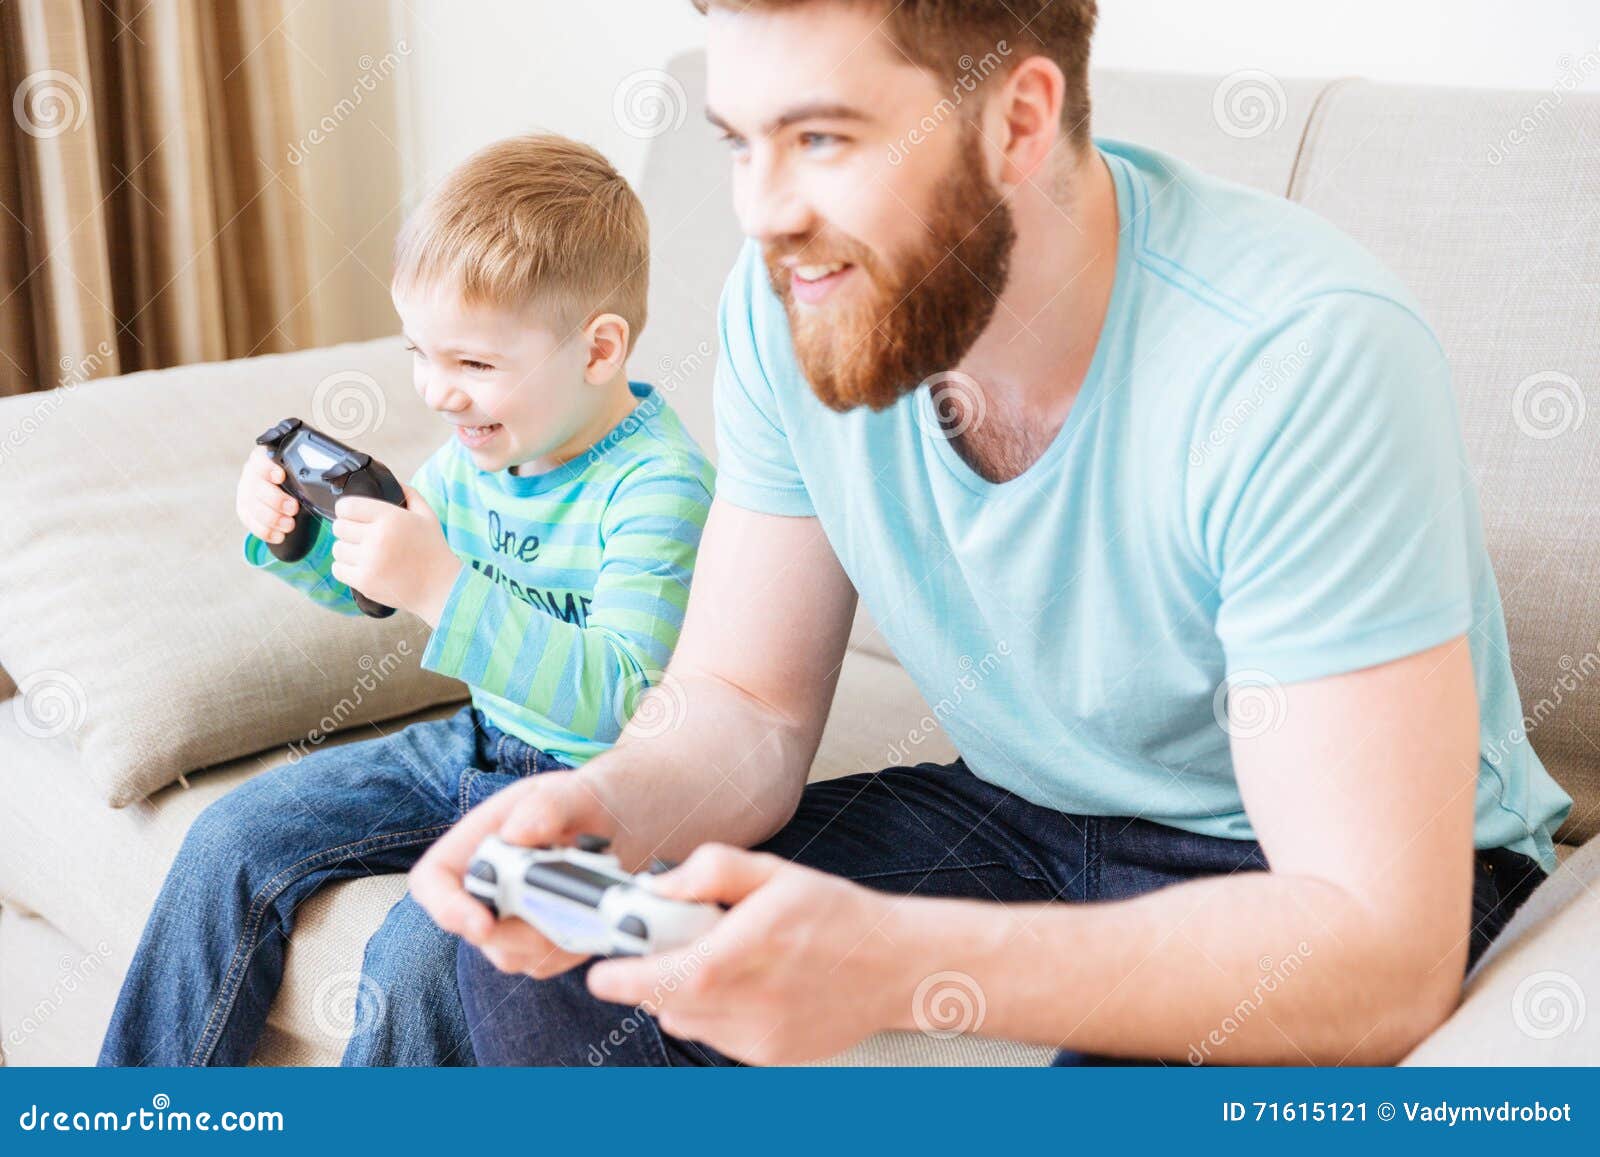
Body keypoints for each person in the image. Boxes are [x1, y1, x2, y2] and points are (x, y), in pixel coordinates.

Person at [412, 0, 1572, 1066]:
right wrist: (615, 804)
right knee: (563, 974)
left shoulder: (1298, 357)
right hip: (1026, 811)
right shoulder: (790, 307)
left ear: (1017, 122)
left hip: (1300, 865)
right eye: (737, 141)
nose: (762, 213)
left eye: (822, 140)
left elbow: (1373, 944)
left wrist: (901, 961)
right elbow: (746, 702)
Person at [98, 134, 715, 1067]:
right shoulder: (486, 453)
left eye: (472, 364)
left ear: (598, 350)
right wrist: (300, 538)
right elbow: (376, 589)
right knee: (231, 836)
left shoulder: (658, 486)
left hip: (606, 797)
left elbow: (623, 696)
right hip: (475, 746)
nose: (436, 392)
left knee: (421, 958)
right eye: (420, 353)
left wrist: (442, 584)